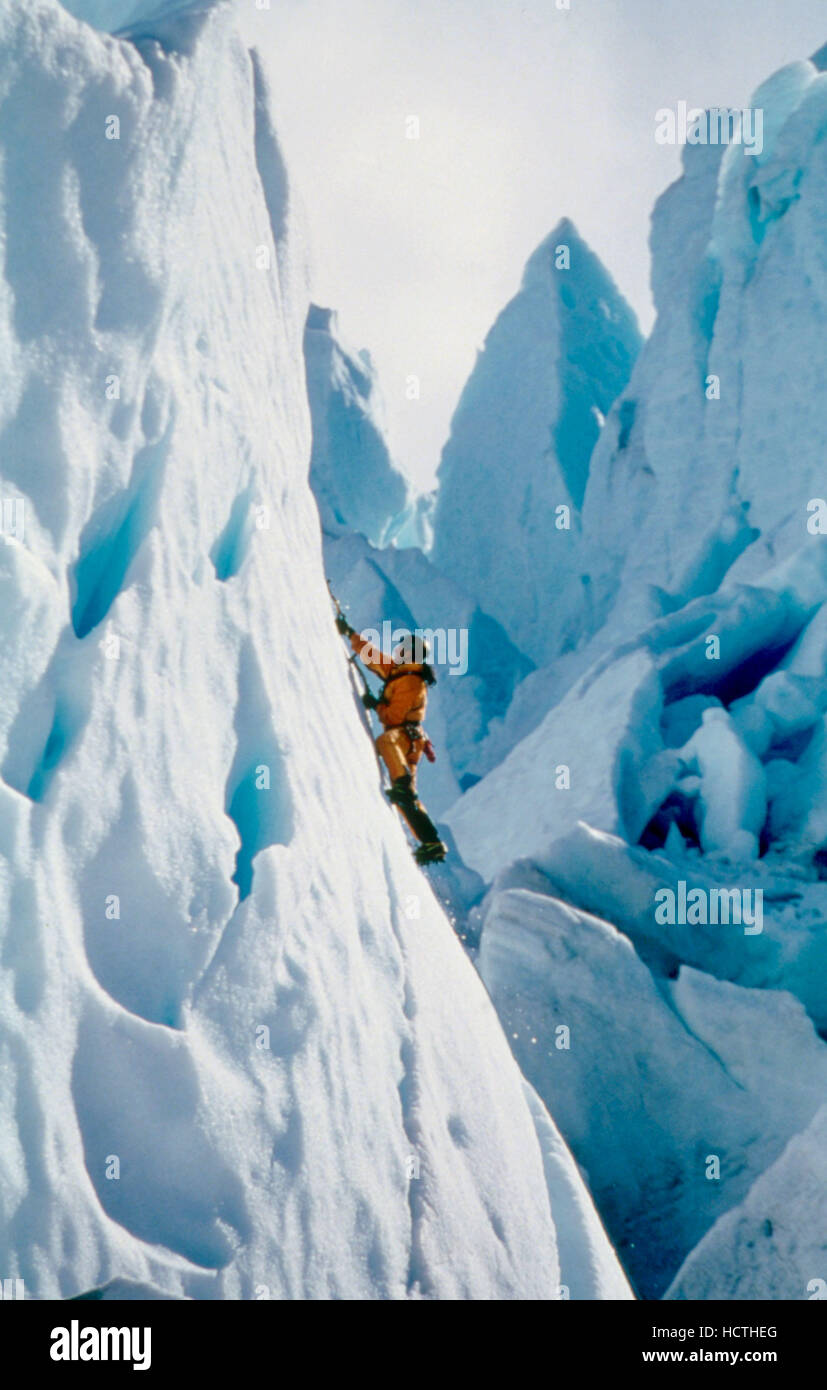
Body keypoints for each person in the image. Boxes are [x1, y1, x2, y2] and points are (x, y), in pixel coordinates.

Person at [335, 614, 447, 864]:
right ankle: (431, 842)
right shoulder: (401, 673)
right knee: (406, 798)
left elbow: (395, 717)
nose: (399, 651)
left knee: (388, 745)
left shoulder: (412, 681)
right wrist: (350, 633)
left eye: (403, 649)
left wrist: (377, 706)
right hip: (407, 738)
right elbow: (374, 659)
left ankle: (402, 782)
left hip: (406, 738)